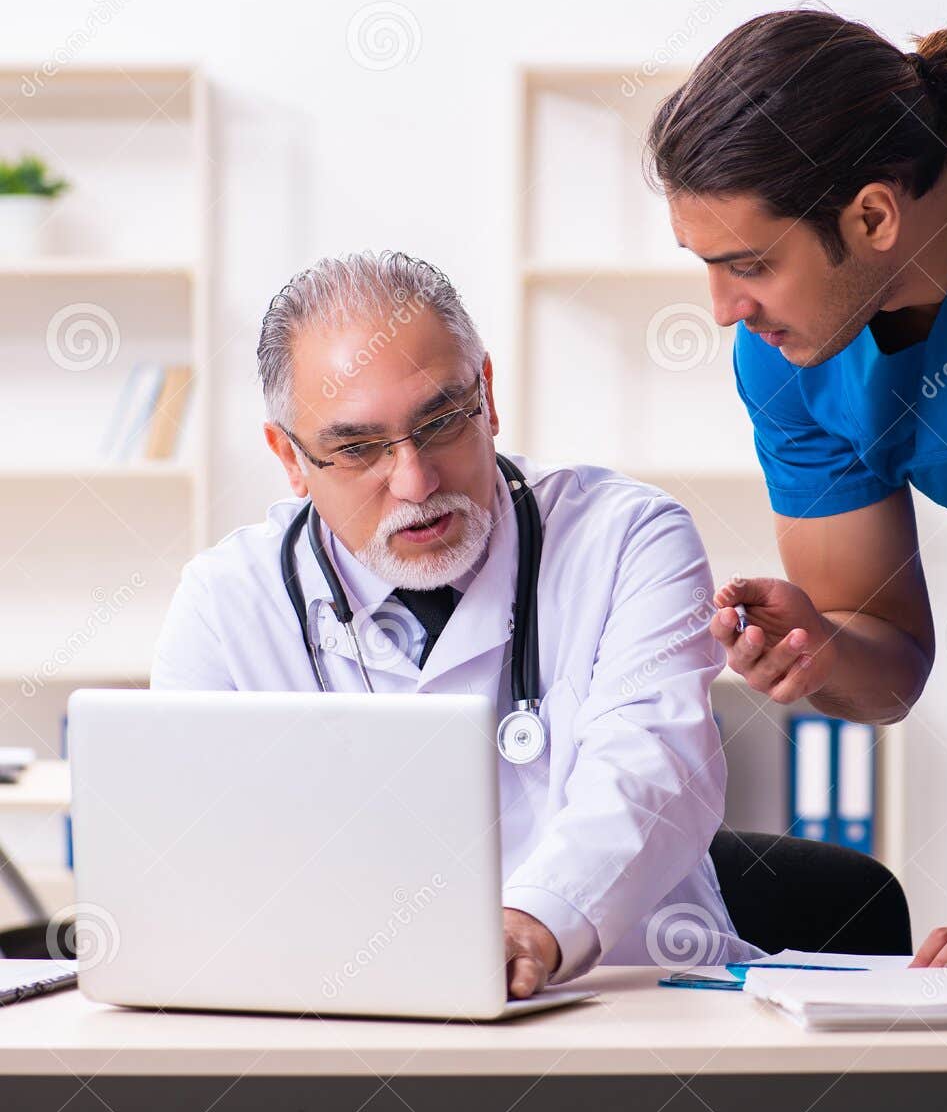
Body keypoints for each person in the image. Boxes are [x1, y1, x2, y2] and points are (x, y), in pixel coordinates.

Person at [151, 251, 759, 997]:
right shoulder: (226, 606)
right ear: (290, 457)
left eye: (440, 422)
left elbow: (655, 767)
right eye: (356, 448)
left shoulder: (628, 538)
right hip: (345, 1028)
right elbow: (197, 866)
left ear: (488, 395)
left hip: (635, 1013)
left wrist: (533, 924)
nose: (414, 481)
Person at [645, 7, 947, 971]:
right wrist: (822, 646)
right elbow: (895, 669)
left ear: (873, 215)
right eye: (707, 267)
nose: (722, 312)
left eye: (749, 265)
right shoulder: (787, 356)